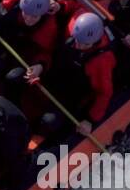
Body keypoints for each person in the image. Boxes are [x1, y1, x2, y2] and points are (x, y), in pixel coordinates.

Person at [33, 11, 115, 139]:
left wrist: (90, 120)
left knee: (49, 121)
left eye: (85, 44)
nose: (79, 45)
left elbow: (104, 93)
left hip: (73, 94)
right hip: (57, 76)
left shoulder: (102, 60)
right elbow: (51, 51)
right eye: (77, 40)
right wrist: (41, 65)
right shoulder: (73, 30)